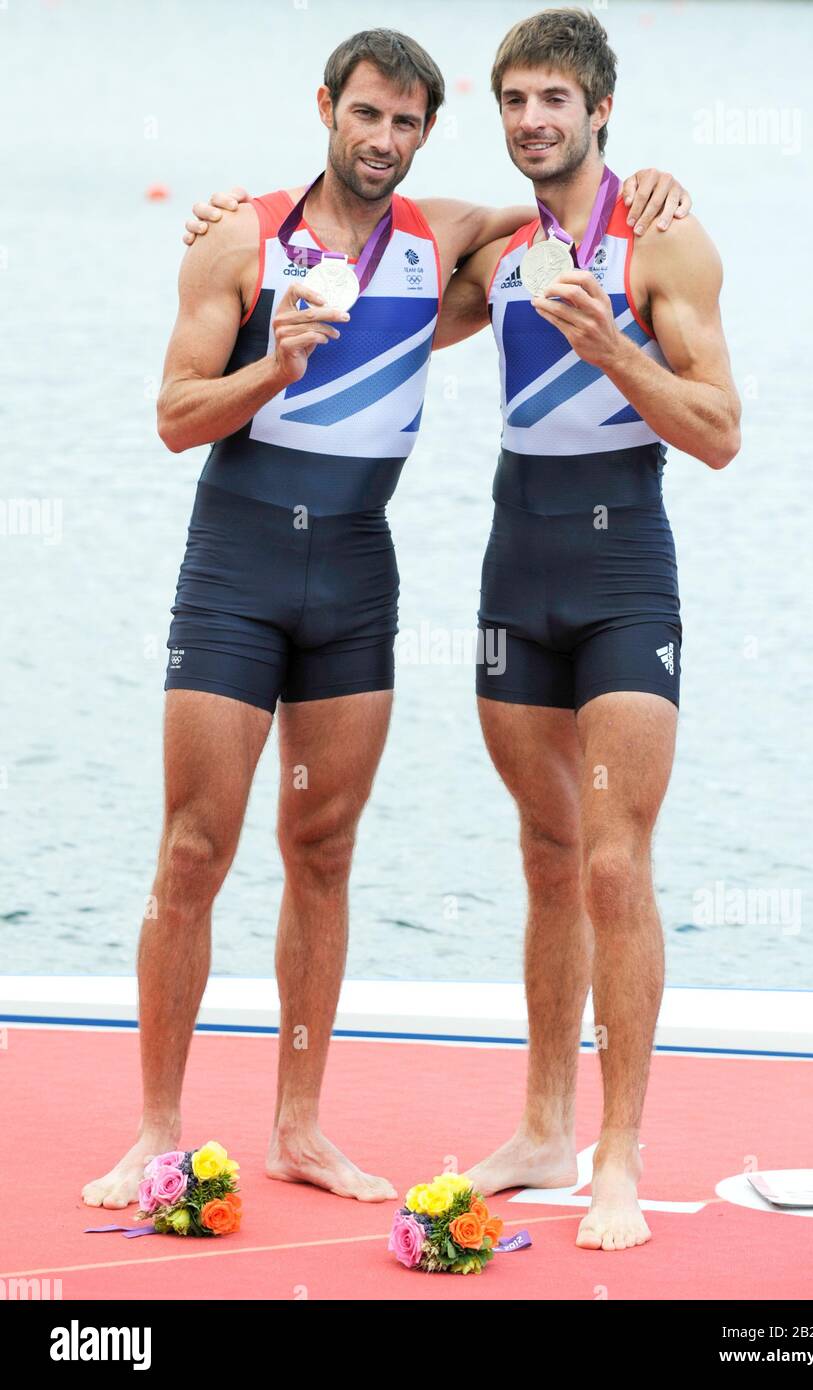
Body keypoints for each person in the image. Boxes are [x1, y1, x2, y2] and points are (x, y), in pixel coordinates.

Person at [82, 26, 689, 1211]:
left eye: (407, 123)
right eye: (366, 116)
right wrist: (274, 368)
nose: (383, 140)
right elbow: (171, 414)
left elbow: (570, 204)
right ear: (327, 108)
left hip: (357, 580)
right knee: (194, 849)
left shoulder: (444, 241)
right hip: (237, 569)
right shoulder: (244, 240)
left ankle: (298, 1126)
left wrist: (663, 181)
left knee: (323, 852)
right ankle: (153, 1126)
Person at [438, 8, 741, 1251]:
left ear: (600, 107)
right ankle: (544, 1122)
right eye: (514, 100)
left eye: (555, 98)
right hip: (518, 562)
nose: (532, 120)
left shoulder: (663, 239)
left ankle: (617, 1153)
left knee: (617, 862)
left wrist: (614, 347)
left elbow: (718, 431)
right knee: (548, 856)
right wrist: (222, 219)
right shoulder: (501, 240)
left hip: (624, 570)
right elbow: (356, 257)